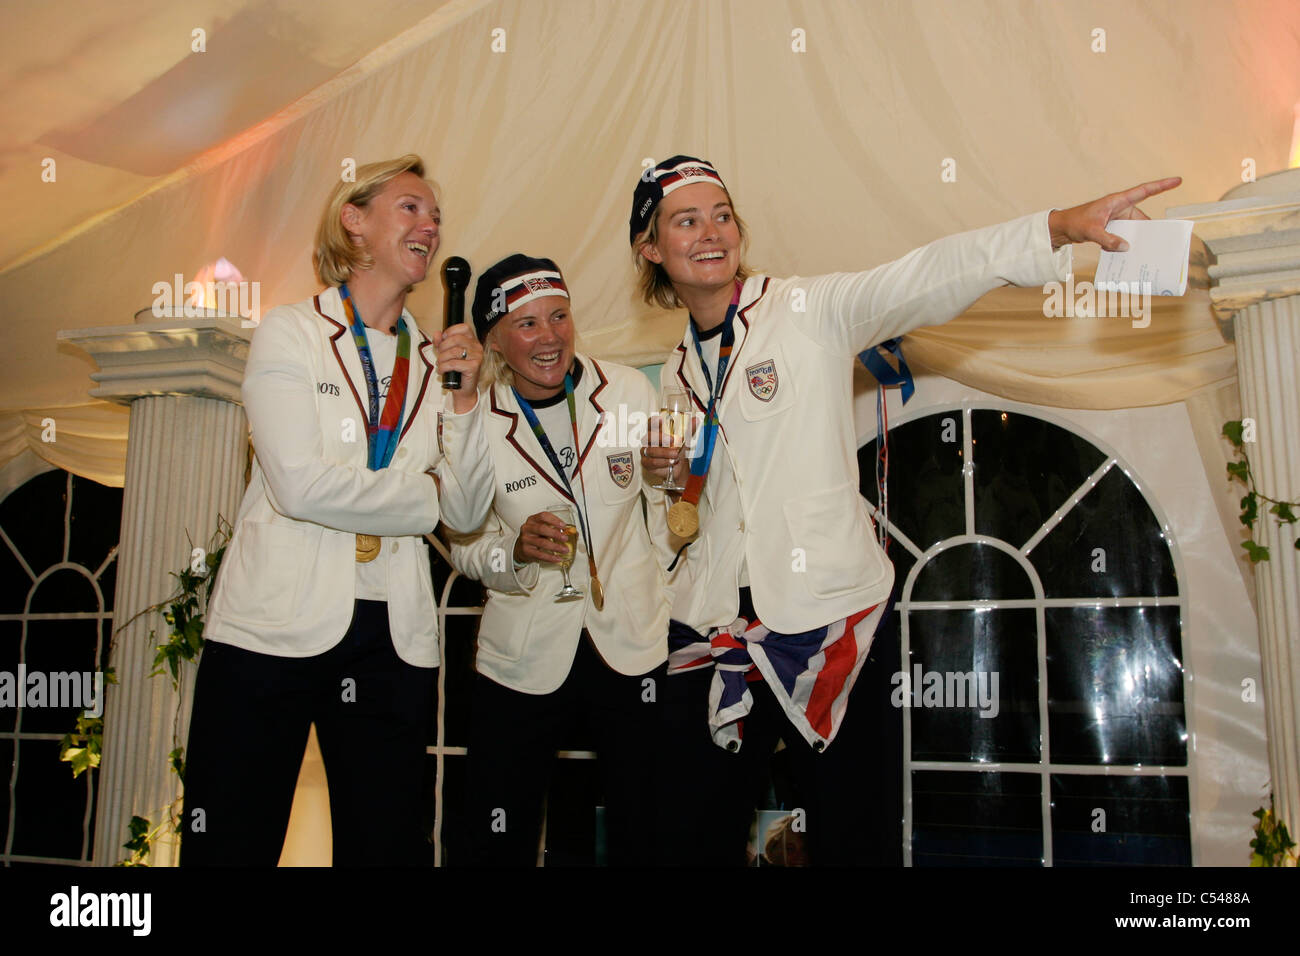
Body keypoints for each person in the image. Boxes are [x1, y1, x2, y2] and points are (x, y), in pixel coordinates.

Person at [633, 155, 1181, 865]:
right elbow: (705, 511)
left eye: (722, 215)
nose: (712, 233)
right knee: (693, 832)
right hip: (722, 625)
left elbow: (925, 275)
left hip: (830, 619)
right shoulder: (677, 368)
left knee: (852, 837)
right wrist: (675, 483)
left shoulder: (806, 309)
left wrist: (1054, 229)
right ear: (651, 249)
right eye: (686, 220)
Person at [181, 154, 493, 867]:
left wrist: (469, 399)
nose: (431, 225)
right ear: (354, 221)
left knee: (382, 846)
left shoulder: (442, 356)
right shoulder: (289, 332)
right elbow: (298, 485)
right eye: (411, 207)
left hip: (392, 631)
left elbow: (469, 509)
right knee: (230, 837)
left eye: (436, 214)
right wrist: (424, 499)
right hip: (271, 624)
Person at [447, 253, 677, 866]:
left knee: (647, 823)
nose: (549, 337)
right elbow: (464, 542)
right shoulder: (474, 419)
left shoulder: (626, 388)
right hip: (523, 651)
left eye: (559, 316)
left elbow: (665, 510)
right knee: (498, 826)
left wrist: (671, 478)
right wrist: (515, 555)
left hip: (631, 639)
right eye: (526, 324)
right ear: (493, 338)